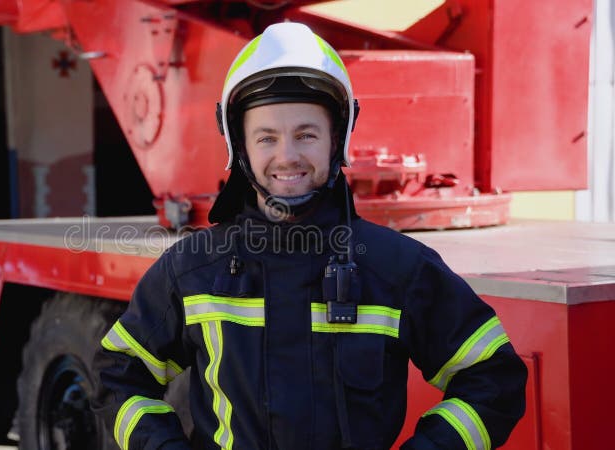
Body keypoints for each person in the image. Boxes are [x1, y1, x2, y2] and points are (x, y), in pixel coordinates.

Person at [92, 22, 527, 450]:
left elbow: (493, 376)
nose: (287, 156)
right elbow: (119, 375)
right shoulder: (192, 269)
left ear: (337, 140)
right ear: (239, 147)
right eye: (267, 138)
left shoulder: (398, 269)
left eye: (306, 134)